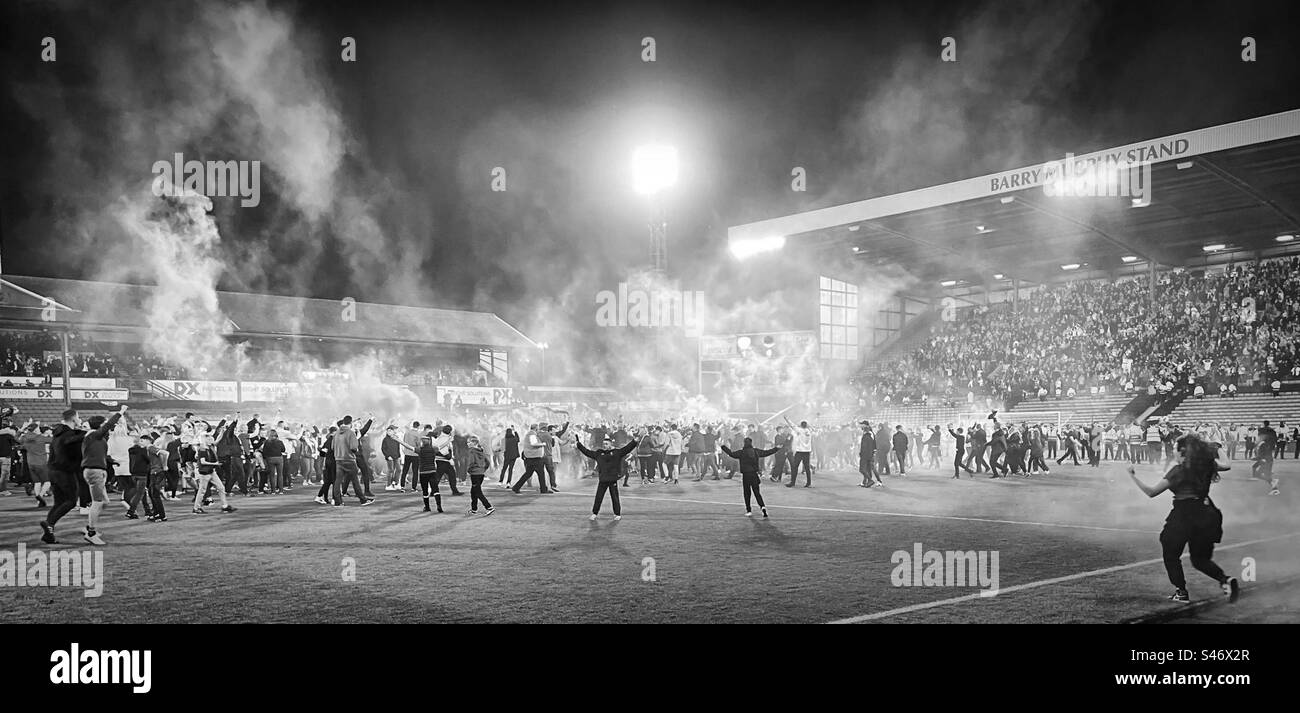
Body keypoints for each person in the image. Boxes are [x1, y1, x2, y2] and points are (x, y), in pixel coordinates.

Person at [1128, 433, 1238, 604]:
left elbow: (1151, 492)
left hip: (1183, 515)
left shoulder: (1179, 471)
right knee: (1200, 559)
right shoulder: (1207, 465)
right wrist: (1218, 448)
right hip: (1207, 513)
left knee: (1170, 552)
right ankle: (1225, 580)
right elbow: (1227, 465)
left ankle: (1181, 591)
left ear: (1183, 452)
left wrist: (1132, 475)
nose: (1174, 454)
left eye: (1175, 451)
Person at [78, 405, 128, 545]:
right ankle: (91, 533)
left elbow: (98, 453)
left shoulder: (95, 438)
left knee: (104, 502)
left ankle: (89, 526)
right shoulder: (93, 435)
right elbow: (108, 425)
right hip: (94, 471)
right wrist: (121, 412)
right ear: (100, 425)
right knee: (98, 502)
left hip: (96, 470)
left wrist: (112, 461)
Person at [38, 409, 87, 545]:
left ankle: (49, 533)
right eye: (78, 417)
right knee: (71, 501)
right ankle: (49, 524)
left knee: (59, 503)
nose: (80, 420)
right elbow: (70, 442)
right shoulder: (68, 434)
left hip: (53, 471)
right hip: (65, 471)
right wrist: (85, 434)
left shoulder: (57, 433)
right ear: (73, 419)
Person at [575, 432, 638, 521]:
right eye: (603, 444)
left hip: (612, 479)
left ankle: (617, 514)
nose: (604, 445)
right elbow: (587, 452)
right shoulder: (599, 453)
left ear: (611, 444)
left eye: (606, 444)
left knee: (615, 497)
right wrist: (578, 444)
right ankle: (594, 513)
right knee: (598, 497)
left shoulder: (617, 452)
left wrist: (634, 441)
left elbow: (627, 449)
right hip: (603, 478)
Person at [721, 437, 780, 517]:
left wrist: (723, 447)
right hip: (754, 475)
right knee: (757, 493)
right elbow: (767, 452)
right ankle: (763, 508)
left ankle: (749, 510)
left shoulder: (741, 452)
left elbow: (731, 454)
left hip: (746, 475)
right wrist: (776, 448)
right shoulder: (756, 451)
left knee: (747, 493)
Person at [464, 435, 495, 516]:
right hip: (481, 474)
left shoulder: (471, 451)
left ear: (474, 442)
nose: (467, 444)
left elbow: (470, 462)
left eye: (469, 442)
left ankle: (489, 507)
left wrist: (467, 470)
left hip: (475, 474)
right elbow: (487, 462)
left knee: (477, 492)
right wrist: (483, 469)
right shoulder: (481, 451)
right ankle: (474, 509)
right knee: (473, 491)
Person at [858, 420, 882, 488]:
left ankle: (878, 481)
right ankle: (865, 482)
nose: (860, 426)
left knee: (872, 468)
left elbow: (872, 443)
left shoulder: (870, 433)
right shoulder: (867, 432)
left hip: (869, 453)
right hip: (869, 453)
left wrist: (874, 451)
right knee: (868, 468)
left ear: (865, 425)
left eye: (862, 424)